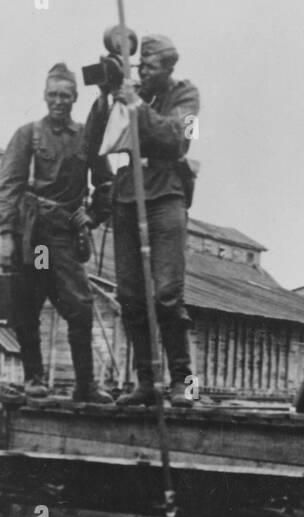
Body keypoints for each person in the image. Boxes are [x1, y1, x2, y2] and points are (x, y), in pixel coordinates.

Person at [0, 63, 114, 404]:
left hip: (66, 235)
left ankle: (86, 385)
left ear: (75, 98)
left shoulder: (86, 138)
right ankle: (34, 378)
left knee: (79, 306)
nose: (58, 101)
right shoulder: (28, 134)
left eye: (65, 95)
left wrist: (91, 216)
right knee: (31, 299)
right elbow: (9, 187)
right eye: (53, 95)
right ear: (44, 97)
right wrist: (7, 234)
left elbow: (105, 182)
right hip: (37, 235)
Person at [101, 33, 200, 407]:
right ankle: (146, 382)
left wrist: (137, 104)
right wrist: (108, 94)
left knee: (167, 294)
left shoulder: (188, 96)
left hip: (167, 195)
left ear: (170, 68)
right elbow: (101, 137)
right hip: (129, 194)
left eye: (152, 66)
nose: (144, 71)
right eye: (141, 64)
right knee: (129, 296)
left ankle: (185, 382)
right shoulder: (132, 90)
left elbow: (179, 141)